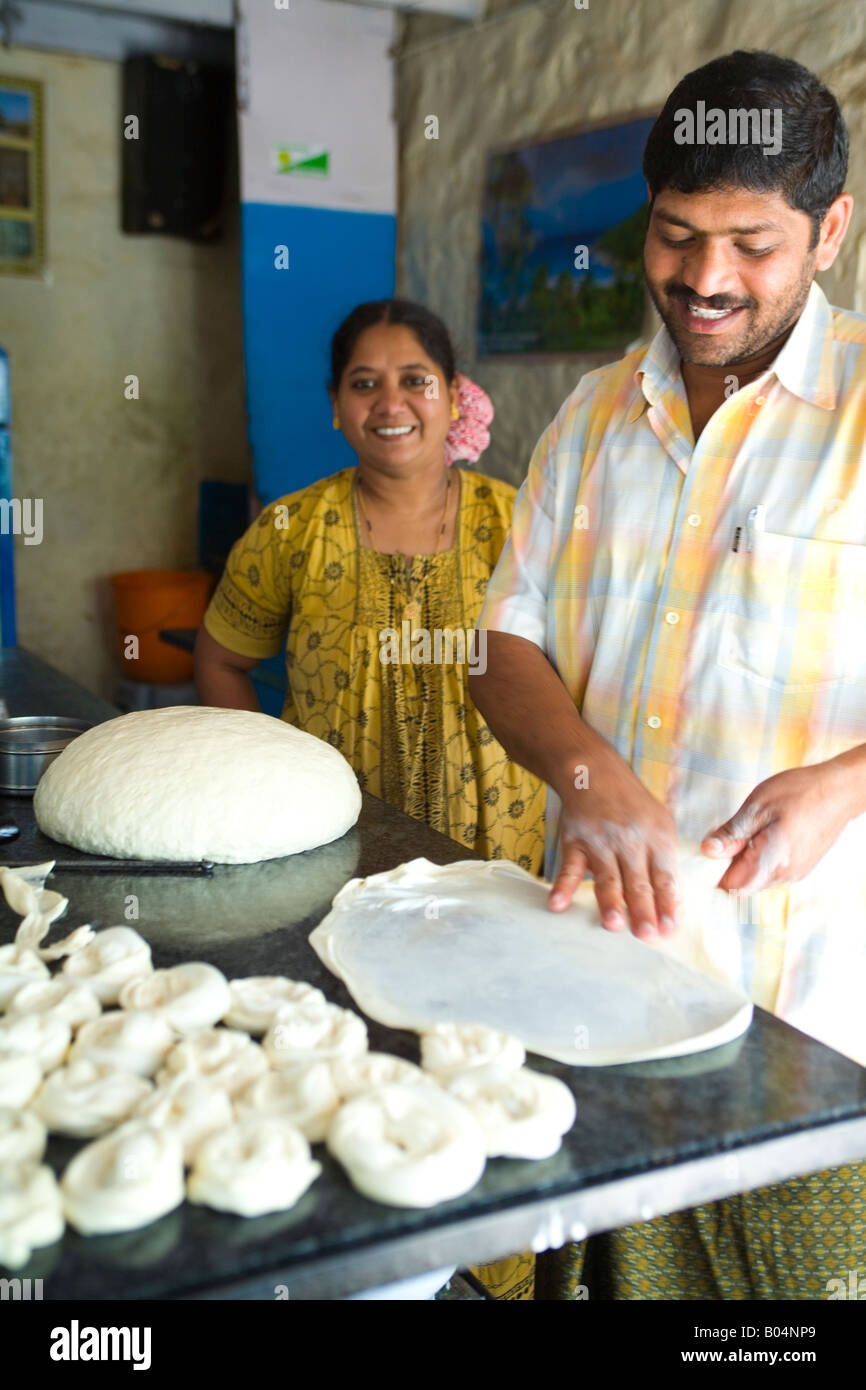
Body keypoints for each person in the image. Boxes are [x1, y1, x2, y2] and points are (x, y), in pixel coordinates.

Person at [471, 49, 866, 1300]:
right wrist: (586, 773)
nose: (703, 280)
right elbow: (501, 642)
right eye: (676, 235)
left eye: (751, 243)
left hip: (813, 1024)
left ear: (830, 231)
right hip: (606, 973)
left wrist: (847, 782)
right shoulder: (591, 416)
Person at [195, 298, 545, 1300]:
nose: (389, 399)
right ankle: (360, 1267)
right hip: (335, 864)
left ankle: (489, 1267)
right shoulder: (290, 530)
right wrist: (259, 781)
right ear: (338, 410)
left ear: (450, 399)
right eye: (364, 382)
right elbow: (220, 655)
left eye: (413, 379)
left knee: (487, 1057)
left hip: (496, 861)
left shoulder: (516, 523)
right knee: (349, 1049)